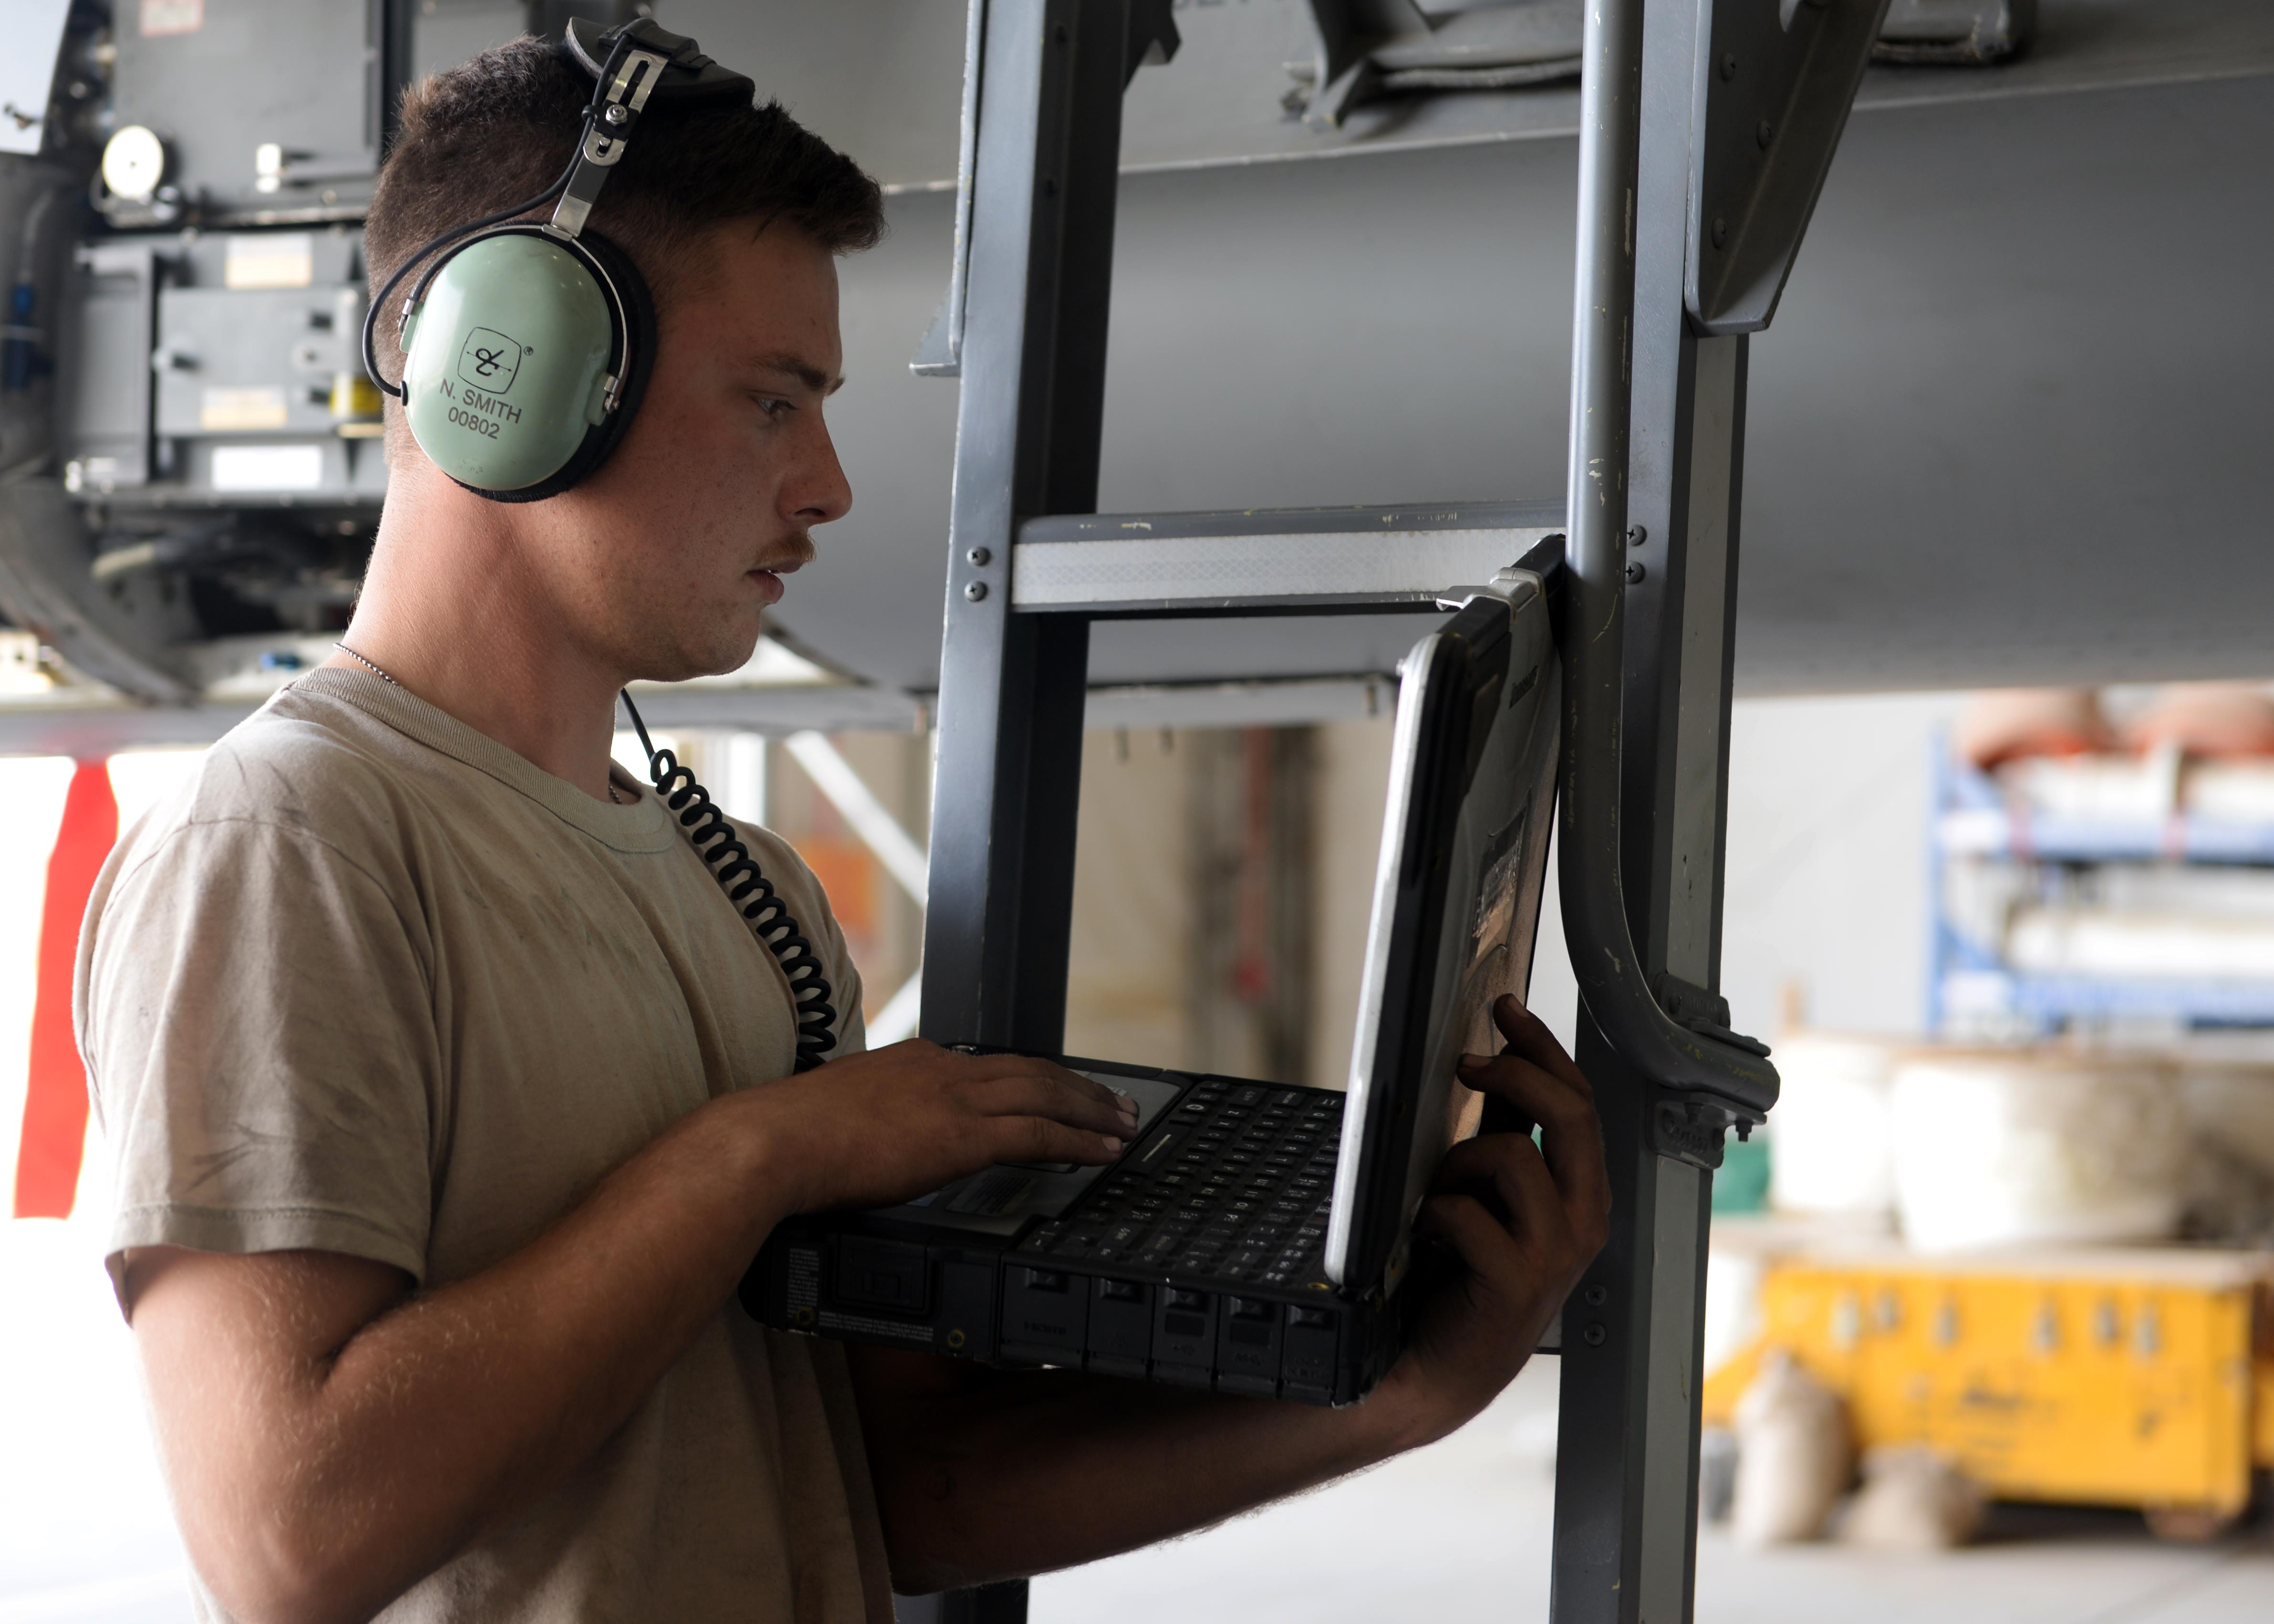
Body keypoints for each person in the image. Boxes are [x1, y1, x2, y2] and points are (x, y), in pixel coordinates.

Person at [77, 32, 1609, 1624]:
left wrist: (1401, 1390)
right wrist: (761, 1155)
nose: (829, 484)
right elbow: (291, 1531)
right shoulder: (291, 844)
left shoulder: (750, 897)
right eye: (770, 402)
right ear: (511, 373)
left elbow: (890, 1491)